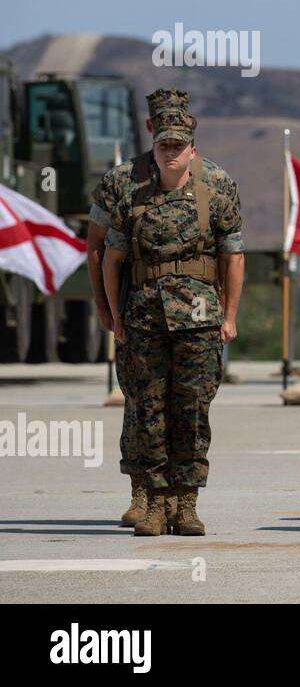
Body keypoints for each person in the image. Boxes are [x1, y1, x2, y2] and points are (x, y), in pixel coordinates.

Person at [102, 105, 244, 537]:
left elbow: (233, 259)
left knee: (192, 411)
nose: (170, 153)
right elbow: (111, 261)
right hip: (144, 320)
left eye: (178, 146)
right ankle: (155, 502)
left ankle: (186, 503)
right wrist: (114, 315)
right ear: (154, 147)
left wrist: (230, 317)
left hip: (199, 323)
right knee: (148, 411)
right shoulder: (132, 202)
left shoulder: (215, 200)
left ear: (191, 150)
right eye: (163, 145)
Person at [87, 88, 187, 528]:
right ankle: (142, 494)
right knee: (140, 404)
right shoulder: (119, 181)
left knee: (183, 405)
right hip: (136, 306)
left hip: (188, 315)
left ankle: (173, 499)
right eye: (162, 125)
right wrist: (106, 309)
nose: (169, 134)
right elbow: (96, 250)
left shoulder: (202, 179)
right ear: (150, 127)